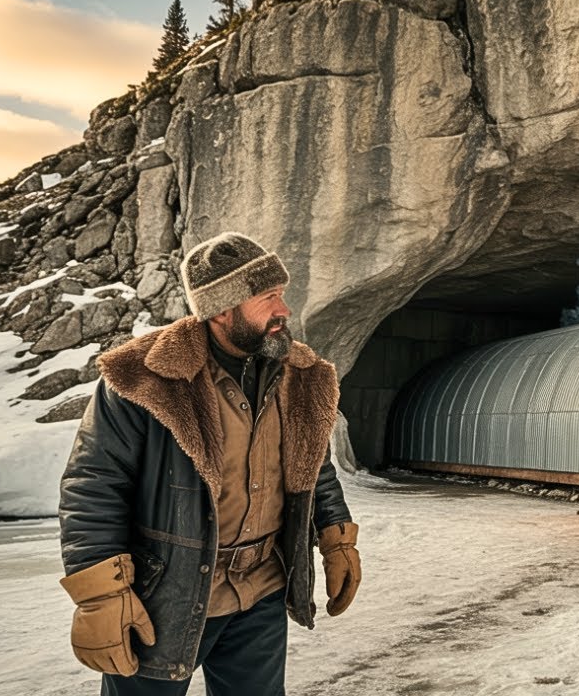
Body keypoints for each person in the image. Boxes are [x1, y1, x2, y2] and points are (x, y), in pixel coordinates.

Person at [58, 232, 362, 695]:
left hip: (260, 590)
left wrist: (337, 538)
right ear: (221, 309)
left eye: (281, 294)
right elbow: (93, 485)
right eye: (267, 298)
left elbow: (312, 463)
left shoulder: (300, 375)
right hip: (165, 595)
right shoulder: (144, 378)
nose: (283, 310)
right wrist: (101, 594)